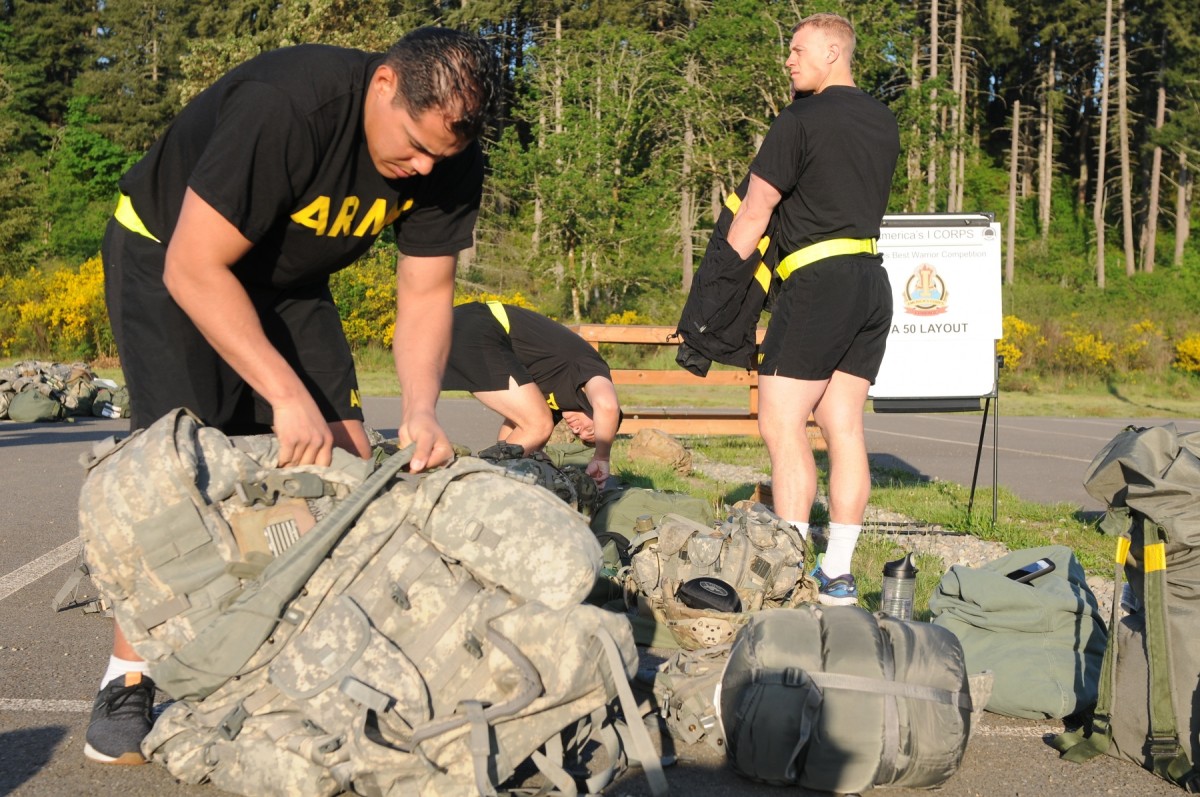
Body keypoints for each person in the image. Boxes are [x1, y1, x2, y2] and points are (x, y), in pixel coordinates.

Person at [85, 28, 500, 764]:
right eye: (414, 146)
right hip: (171, 255)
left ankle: (300, 660)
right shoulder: (288, 106)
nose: (423, 169)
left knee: (347, 464)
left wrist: (420, 409)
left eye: (441, 156)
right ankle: (129, 680)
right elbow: (193, 267)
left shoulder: (449, 159)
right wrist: (283, 392)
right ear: (383, 85)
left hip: (287, 283)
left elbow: (426, 295)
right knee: (187, 475)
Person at [723, 13, 900, 605]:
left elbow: (755, 210)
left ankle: (789, 568)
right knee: (842, 426)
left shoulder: (798, 119)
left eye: (798, 50)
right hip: (871, 281)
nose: (789, 60)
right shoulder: (883, 119)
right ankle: (838, 574)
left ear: (832, 51)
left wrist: (722, 288)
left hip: (818, 283)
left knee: (781, 422)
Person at [443, 301, 622, 487]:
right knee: (539, 425)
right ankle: (476, 489)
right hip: (483, 324)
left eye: (579, 436)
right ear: (595, 413)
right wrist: (601, 457)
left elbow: (507, 443)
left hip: (467, 324)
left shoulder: (554, 405)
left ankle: (475, 485)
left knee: (535, 428)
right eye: (590, 430)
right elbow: (608, 406)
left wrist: (538, 461)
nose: (577, 431)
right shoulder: (592, 368)